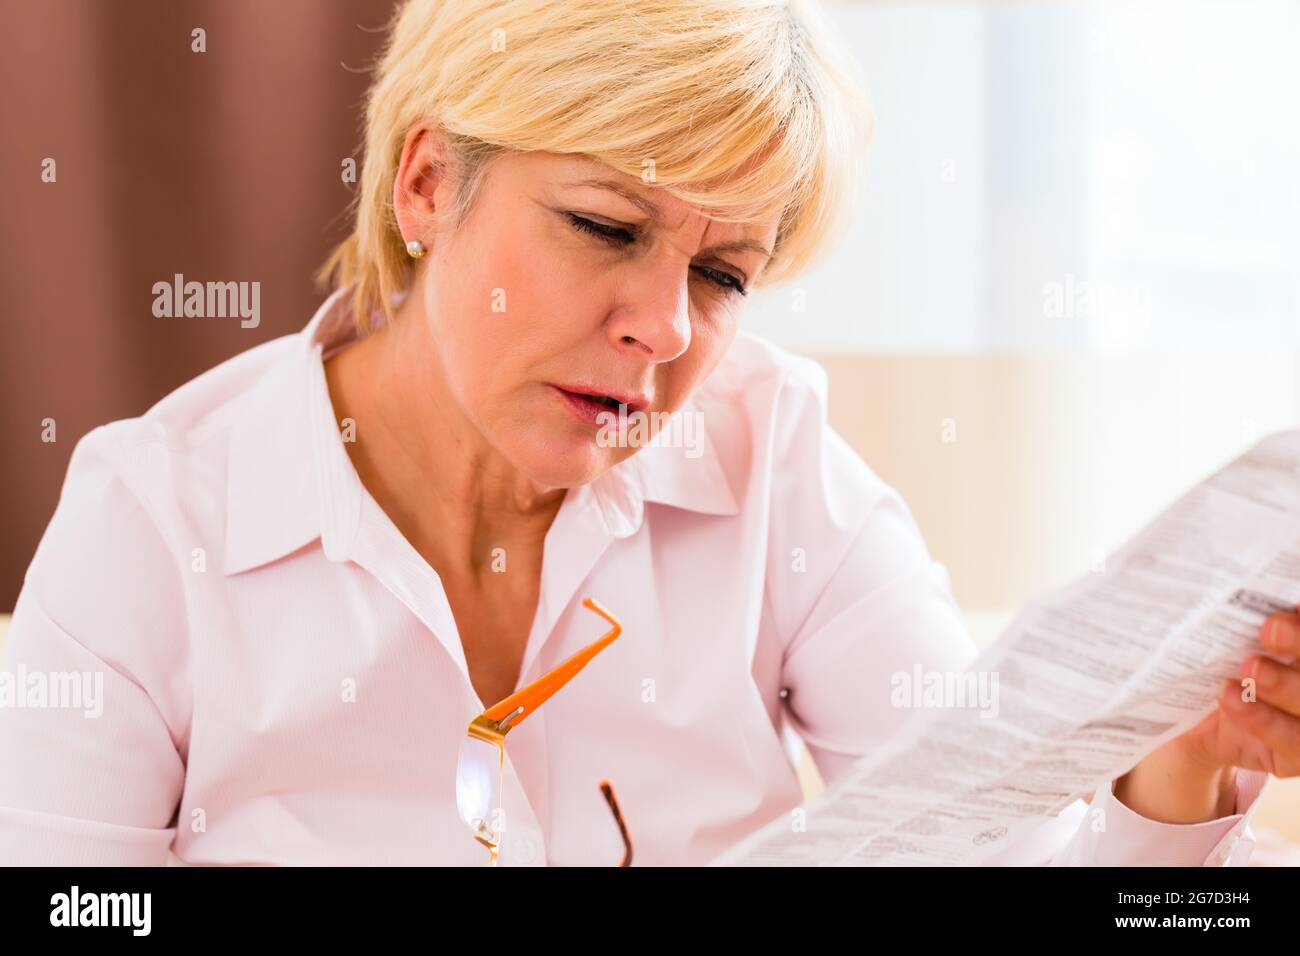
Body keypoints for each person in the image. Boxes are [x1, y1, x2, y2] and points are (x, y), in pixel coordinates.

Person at [0, 0, 1288, 866]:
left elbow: (987, 848)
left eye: (723, 274)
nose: (668, 328)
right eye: (606, 229)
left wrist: (1170, 775)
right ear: (427, 181)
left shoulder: (774, 463)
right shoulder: (154, 521)